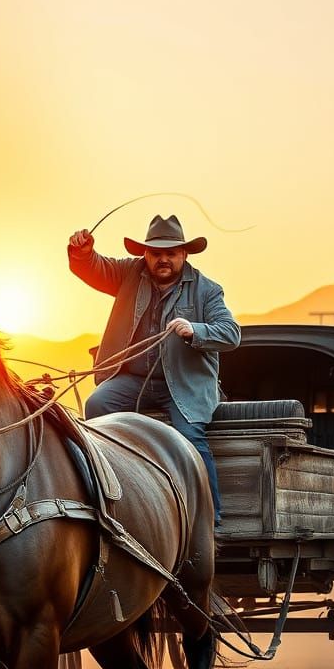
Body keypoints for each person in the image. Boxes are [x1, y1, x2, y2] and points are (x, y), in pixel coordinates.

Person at [67, 214, 240, 527]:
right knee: (97, 406)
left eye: (171, 253)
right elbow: (93, 268)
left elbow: (231, 333)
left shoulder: (207, 290)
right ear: (144, 254)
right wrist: (82, 252)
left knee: (190, 438)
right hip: (132, 380)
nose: (163, 259)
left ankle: (209, 520)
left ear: (184, 254)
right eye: (156, 253)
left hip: (184, 386)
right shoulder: (128, 274)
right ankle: (105, 501)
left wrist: (195, 330)